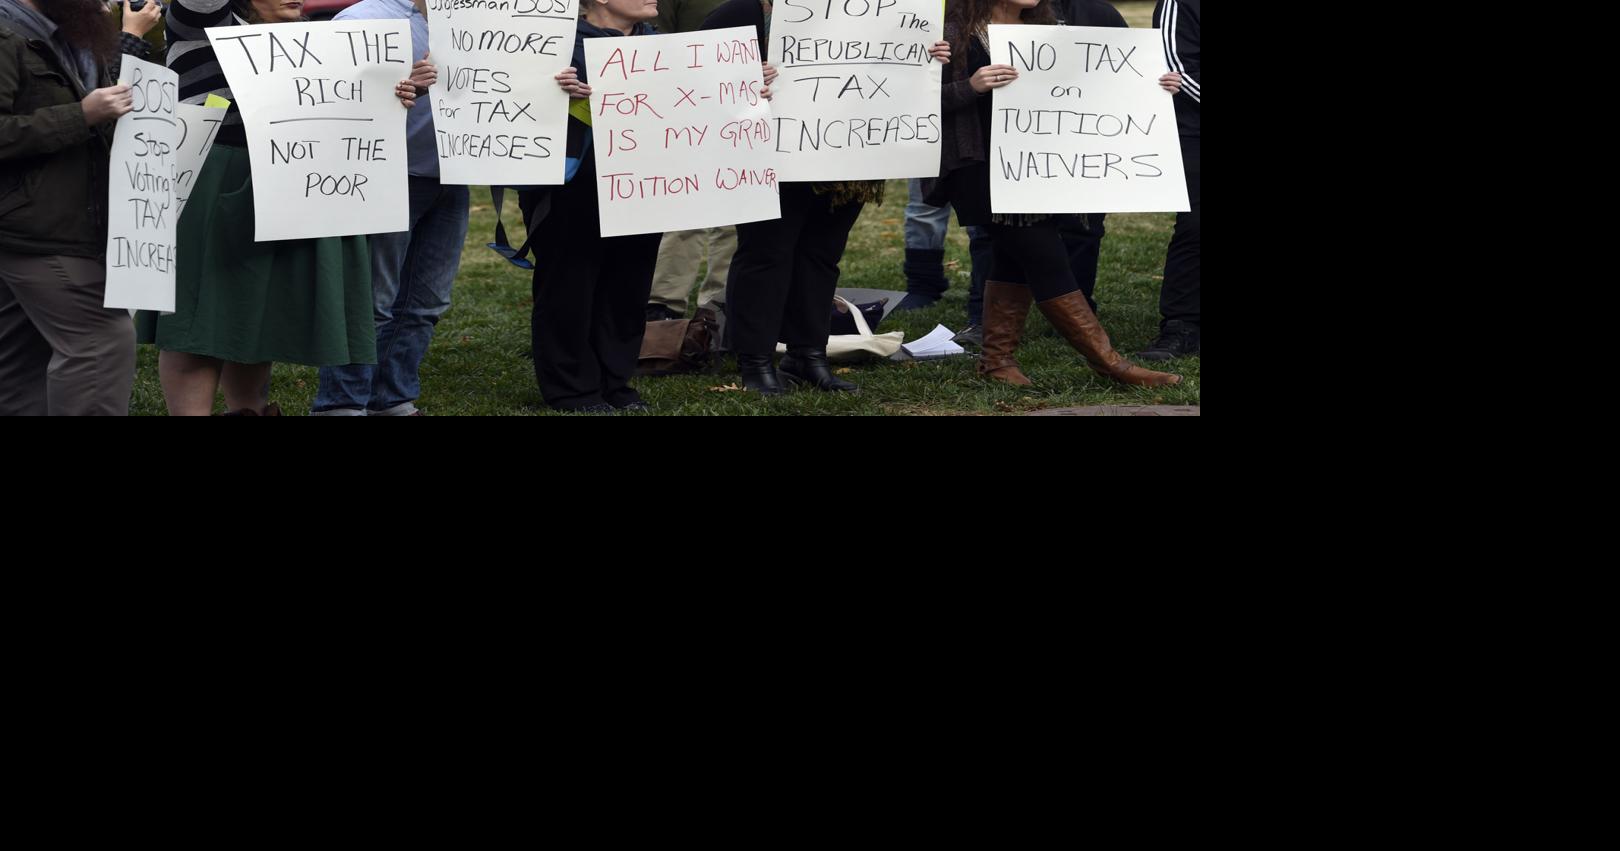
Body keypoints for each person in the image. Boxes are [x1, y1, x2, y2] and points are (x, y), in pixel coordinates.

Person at [927, 0, 1181, 388]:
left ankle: (997, 362)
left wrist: (1155, 84)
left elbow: (1094, 83)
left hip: (1037, 166)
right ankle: (1110, 364)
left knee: (1011, 257)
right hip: (979, 168)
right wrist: (971, 86)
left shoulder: (1046, 28)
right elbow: (914, 103)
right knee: (1046, 256)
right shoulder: (949, 31)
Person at [0, 0, 163, 415]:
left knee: (25, 362)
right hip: (35, 229)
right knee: (101, 343)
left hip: (65, 221)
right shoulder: (8, 36)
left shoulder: (73, 35)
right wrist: (81, 115)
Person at [311, 0, 461, 417]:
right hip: (386, 177)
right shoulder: (362, 19)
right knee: (372, 299)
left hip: (452, 175)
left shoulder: (477, 22)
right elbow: (327, 97)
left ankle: (391, 398)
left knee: (425, 301)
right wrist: (405, 86)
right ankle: (341, 404)